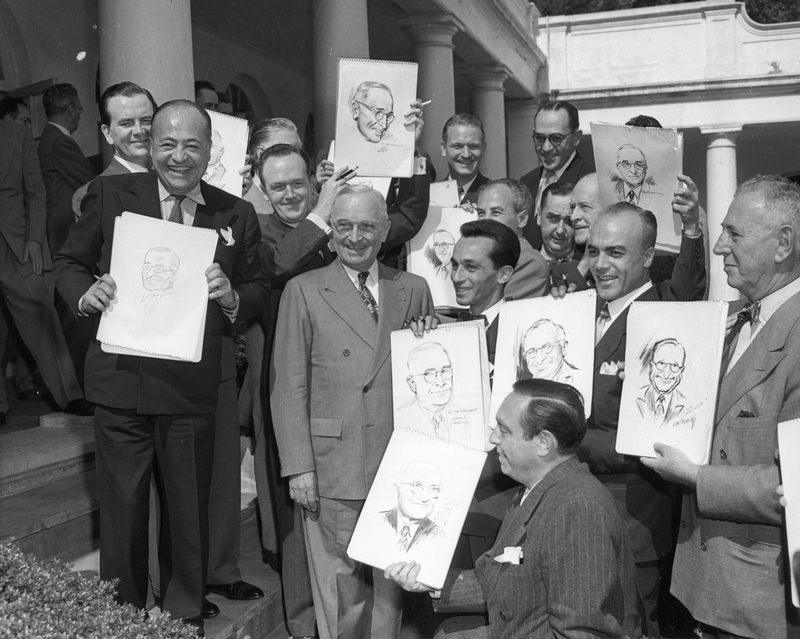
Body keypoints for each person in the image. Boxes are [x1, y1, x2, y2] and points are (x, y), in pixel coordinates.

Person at [53, 99, 270, 635]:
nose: (179, 156)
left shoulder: (234, 213)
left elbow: (259, 286)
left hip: (190, 387)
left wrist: (232, 296)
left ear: (210, 151)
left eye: (192, 145)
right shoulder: (110, 195)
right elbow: (69, 262)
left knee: (187, 511)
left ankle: (183, 616)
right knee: (123, 510)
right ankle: (123, 617)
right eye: (168, 144)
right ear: (150, 146)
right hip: (120, 381)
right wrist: (85, 293)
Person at [270, 183, 435, 639]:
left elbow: (428, 369)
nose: (355, 237)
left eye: (366, 226)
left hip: (398, 464)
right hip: (332, 463)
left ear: (385, 231)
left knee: (391, 585)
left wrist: (432, 334)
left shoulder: (413, 288)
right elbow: (288, 386)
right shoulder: (303, 290)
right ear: (330, 231)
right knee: (339, 588)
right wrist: (299, 467)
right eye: (343, 226)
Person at [642, 175, 800, 639]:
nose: (719, 247)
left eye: (735, 234)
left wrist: (695, 477)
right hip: (701, 588)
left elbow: (791, 485)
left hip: (760, 602)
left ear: (783, 244)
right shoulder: (727, 320)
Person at [385, 379, 641, 639]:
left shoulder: (579, 510)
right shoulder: (535, 489)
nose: (493, 437)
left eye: (504, 430)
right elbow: (500, 574)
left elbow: (582, 634)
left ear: (544, 443)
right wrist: (428, 580)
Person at [255, 142, 356, 639]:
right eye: (278, 187)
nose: (291, 194)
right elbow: (276, 266)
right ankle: (302, 621)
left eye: (299, 183)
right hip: (288, 385)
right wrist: (320, 215)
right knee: (294, 508)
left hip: (345, 385)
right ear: (262, 189)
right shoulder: (258, 231)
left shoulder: (341, 221)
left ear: (313, 181)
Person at [578, 202, 671, 636]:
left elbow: (652, 440)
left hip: (629, 520)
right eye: (593, 250)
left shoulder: (665, 323)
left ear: (648, 256)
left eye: (615, 252)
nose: (600, 264)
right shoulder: (576, 312)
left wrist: (557, 440)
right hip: (574, 514)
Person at [0, 118, 90, 420]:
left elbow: (36, 192)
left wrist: (34, 240)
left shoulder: (18, 133)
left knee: (42, 316)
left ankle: (69, 395)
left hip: (18, 247)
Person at [450, 219, 521, 569]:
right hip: (450, 504)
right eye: (454, 265)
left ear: (504, 274)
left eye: (471, 267)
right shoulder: (448, 331)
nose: (457, 276)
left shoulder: (524, 332)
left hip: (497, 506)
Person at [562, 172, 706, 301]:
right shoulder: (564, 271)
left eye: (585, 207)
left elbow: (683, 298)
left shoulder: (658, 265)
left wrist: (691, 226)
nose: (573, 216)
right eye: (572, 207)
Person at [72, 82, 157, 218]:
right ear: (108, 134)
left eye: (146, 120)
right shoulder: (91, 194)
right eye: (126, 123)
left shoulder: (174, 179)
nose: (139, 131)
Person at [520, 100, 594, 250]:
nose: (546, 148)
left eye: (556, 139)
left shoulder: (591, 182)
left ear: (576, 138)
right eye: (540, 138)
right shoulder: (526, 182)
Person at [38, 83, 98, 258]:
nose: (79, 115)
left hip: (58, 230)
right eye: (80, 109)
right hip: (68, 230)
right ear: (71, 110)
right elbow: (90, 181)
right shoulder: (60, 141)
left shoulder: (48, 138)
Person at [475, 178, 548, 299]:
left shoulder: (530, 264)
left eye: (496, 212)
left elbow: (494, 308)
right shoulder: (481, 256)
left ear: (522, 219)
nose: (485, 221)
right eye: (481, 213)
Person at [395, 342, 458, 439]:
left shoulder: (465, 417)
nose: (440, 382)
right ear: (412, 384)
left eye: (445, 371)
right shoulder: (399, 420)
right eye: (428, 374)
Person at [382, 460, 444, 552]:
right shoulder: (374, 521)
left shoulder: (439, 536)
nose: (424, 498)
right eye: (416, 486)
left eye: (434, 489)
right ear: (396, 490)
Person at [439, 114, 489, 205]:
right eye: (457, 146)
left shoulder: (494, 194)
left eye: (473, 146)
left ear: (483, 149)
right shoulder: (431, 194)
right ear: (443, 149)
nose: (466, 154)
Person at [636, 338, 688, 426]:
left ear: (681, 371)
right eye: (661, 364)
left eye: (674, 366)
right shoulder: (635, 396)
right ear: (652, 366)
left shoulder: (688, 406)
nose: (666, 374)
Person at [520, 318, 577, 383]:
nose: (539, 360)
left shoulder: (579, 379)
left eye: (546, 347)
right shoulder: (526, 386)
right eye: (531, 352)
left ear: (564, 347)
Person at [537, 181, 576, 262]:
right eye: (553, 218)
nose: (560, 230)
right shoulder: (521, 265)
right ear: (539, 216)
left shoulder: (593, 266)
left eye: (569, 220)